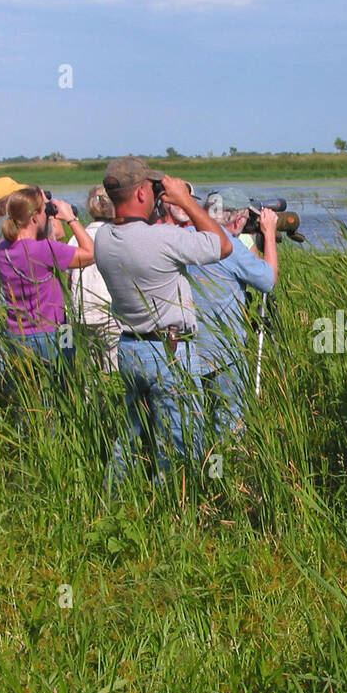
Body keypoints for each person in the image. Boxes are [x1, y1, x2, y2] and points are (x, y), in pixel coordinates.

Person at [94, 157, 231, 483]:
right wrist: (184, 199)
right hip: (168, 351)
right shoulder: (162, 238)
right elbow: (222, 245)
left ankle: (114, 496)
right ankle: (174, 507)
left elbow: (138, 231)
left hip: (130, 348)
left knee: (134, 430)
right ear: (142, 193)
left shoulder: (103, 237)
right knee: (180, 440)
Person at [188, 188, 279, 436]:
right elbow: (268, 280)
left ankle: (196, 467)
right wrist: (269, 234)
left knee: (192, 420)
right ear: (239, 220)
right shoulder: (231, 247)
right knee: (229, 420)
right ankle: (224, 469)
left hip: (183, 348)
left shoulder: (184, 236)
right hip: (223, 350)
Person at [0, 186, 93, 395]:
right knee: (63, 393)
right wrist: (71, 218)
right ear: (33, 217)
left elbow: (52, 235)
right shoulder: (44, 250)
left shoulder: (3, 248)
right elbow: (90, 253)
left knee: (29, 397)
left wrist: (45, 215)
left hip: (17, 334)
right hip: (54, 333)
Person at [68, 185, 121, 373]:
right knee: (113, 363)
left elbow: (69, 278)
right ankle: (114, 398)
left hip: (82, 310)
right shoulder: (117, 235)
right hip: (109, 311)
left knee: (88, 366)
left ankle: (90, 399)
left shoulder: (77, 237)